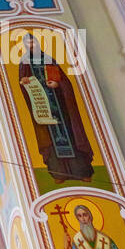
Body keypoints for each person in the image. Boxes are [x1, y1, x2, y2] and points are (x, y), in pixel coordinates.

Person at [17, 33, 93, 183]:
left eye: (33, 43)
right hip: (41, 105)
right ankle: (59, 174)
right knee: (50, 138)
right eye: (29, 44)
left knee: (70, 135)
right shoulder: (24, 62)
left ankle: (82, 171)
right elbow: (23, 83)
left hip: (59, 104)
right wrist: (25, 82)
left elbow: (64, 80)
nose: (32, 46)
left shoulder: (49, 60)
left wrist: (58, 85)